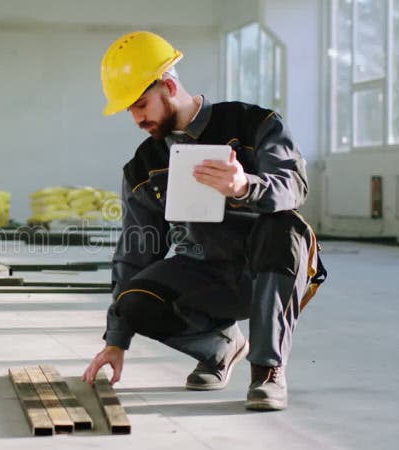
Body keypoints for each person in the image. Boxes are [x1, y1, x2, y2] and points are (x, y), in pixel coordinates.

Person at [81, 31, 326, 411]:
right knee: (133, 302)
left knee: (286, 227)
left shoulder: (253, 123)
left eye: (141, 104)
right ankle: (220, 348)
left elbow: (293, 185)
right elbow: (136, 250)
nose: (137, 118)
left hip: (267, 268)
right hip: (204, 272)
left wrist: (245, 186)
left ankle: (267, 371)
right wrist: (116, 340)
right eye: (130, 109)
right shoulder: (143, 167)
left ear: (169, 86)